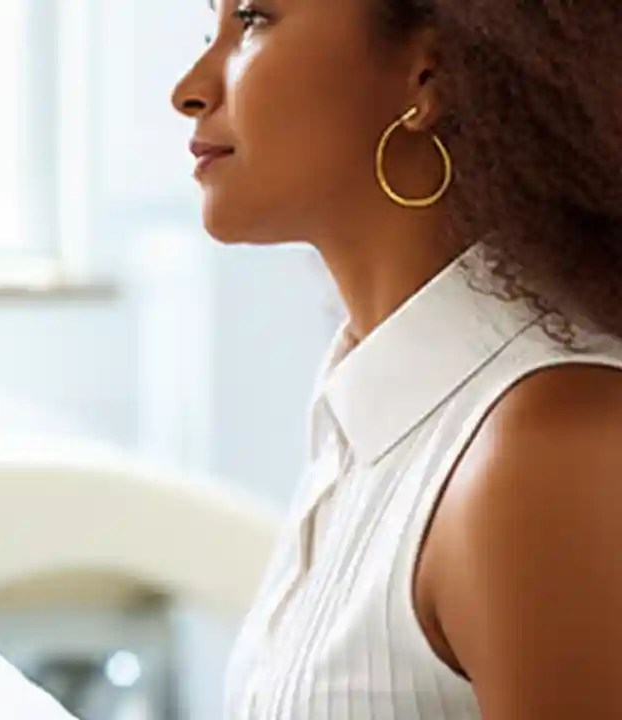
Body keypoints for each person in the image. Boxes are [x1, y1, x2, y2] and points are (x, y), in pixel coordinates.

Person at [170, 1, 622, 717]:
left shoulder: (546, 451)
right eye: (211, 28)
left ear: (427, 75)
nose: (188, 88)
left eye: (254, 19)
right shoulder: (365, 411)